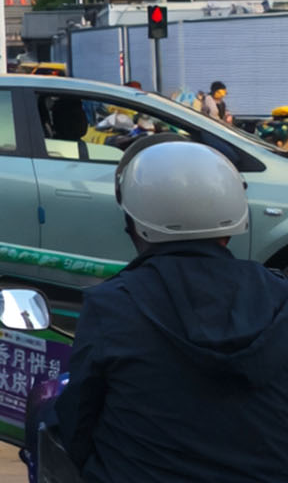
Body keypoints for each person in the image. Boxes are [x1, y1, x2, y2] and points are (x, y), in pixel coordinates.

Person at [54, 138, 288, 481]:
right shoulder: (280, 296)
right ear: (236, 218)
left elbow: (77, 422)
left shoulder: (112, 306)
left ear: (133, 224)